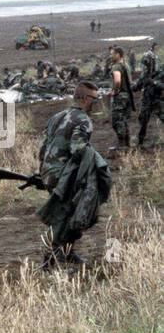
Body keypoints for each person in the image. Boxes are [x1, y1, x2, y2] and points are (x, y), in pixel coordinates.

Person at [37, 81, 111, 267]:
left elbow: (43, 148)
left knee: (70, 214)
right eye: (95, 99)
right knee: (63, 218)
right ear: (86, 99)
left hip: (49, 172)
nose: (97, 102)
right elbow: (78, 149)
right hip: (64, 177)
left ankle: (68, 253)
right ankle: (50, 261)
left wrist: (43, 172)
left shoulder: (57, 116)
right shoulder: (83, 120)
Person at [135, 39, 162, 149]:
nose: (145, 66)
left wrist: (154, 83)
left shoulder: (160, 73)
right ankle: (140, 142)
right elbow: (138, 85)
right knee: (143, 120)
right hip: (147, 100)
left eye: (146, 63)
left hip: (157, 99)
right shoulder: (145, 75)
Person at [108, 46, 135, 149]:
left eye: (112, 54)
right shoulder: (126, 65)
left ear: (118, 54)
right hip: (128, 96)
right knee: (124, 120)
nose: (111, 56)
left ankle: (121, 145)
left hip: (120, 97)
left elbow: (118, 80)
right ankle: (128, 144)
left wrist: (114, 91)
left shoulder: (116, 66)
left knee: (117, 121)